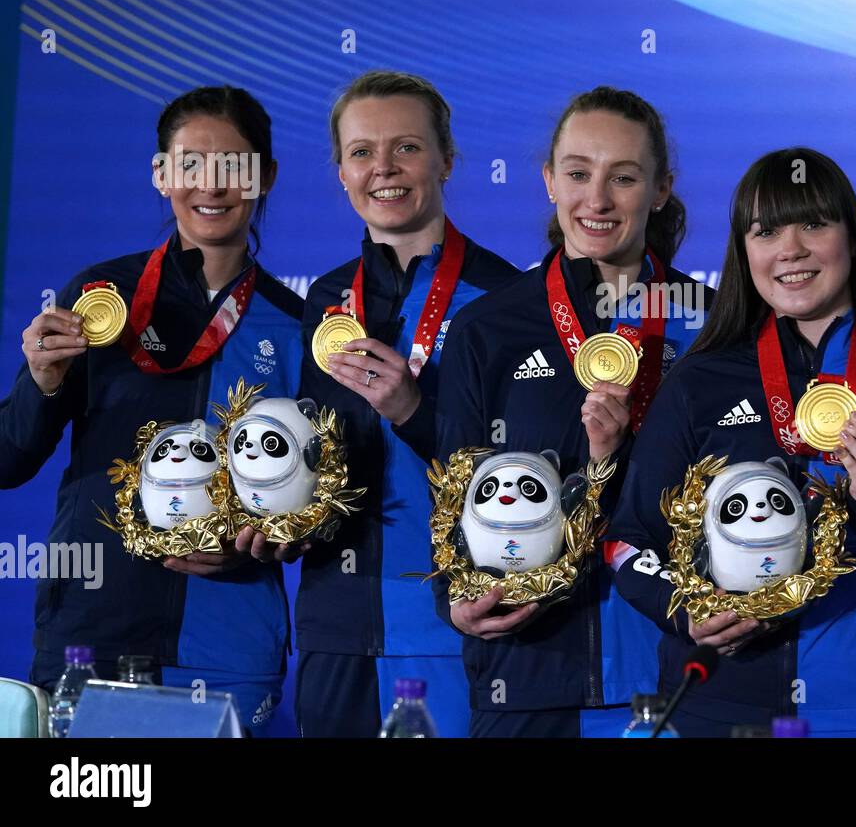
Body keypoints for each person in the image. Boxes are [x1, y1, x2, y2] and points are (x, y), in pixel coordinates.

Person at [608, 147, 856, 737]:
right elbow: (626, 543)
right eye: (767, 230)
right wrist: (685, 612)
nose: (791, 249)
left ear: (851, 237)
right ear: (744, 252)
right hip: (720, 705)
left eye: (813, 223)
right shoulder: (699, 381)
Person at [0, 86, 304, 733]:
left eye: (236, 166)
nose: (213, 185)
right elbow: (8, 456)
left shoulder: (298, 326)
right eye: (190, 164)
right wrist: (42, 381)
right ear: (161, 175)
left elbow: (318, 506)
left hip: (228, 648)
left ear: (266, 177)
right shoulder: (98, 297)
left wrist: (258, 546)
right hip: (92, 635)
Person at [434, 85, 712, 737]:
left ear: (661, 188)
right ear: (549, 182)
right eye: (579, 173)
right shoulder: (488, 328)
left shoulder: (712, 325)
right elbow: (453, 490)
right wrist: (456, 598)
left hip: (676, 670)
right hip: (528, 671)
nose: (598, 199)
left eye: (624, 177)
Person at [294, 70, 518, 738]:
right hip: (335, 627)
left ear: (448, 159)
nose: (382, 169)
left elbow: (526, 469)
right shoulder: (325, 300)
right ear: (339, 171)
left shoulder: (508, 300)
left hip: (453, 627)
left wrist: (415, 412)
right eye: (361, 152)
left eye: (408, 148)